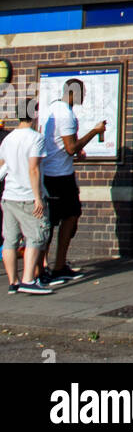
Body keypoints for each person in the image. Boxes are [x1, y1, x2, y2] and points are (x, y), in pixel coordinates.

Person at [41, 80, 105, 282]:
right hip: (60, 176)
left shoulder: (52, 108)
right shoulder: (66, 114)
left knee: (52, 222)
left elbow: (62, 144)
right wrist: (95, 132)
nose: (84, 96)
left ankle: (43, 267)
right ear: (74, 93)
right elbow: (70, 148)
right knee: (69, 217)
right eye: (83, 92)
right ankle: (57, 266)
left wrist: (78, 149)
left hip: (50, 173)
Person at [0, 105, 52, 295]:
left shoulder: (8, 139)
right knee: (36, 236)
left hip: (9, 196)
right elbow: (34, 169)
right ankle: (28, 280)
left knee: (10, 240)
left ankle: (13, 282)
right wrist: (38, 197)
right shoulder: (35, 138)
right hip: (28, 196)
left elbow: (2, 166)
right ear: (35, 114)